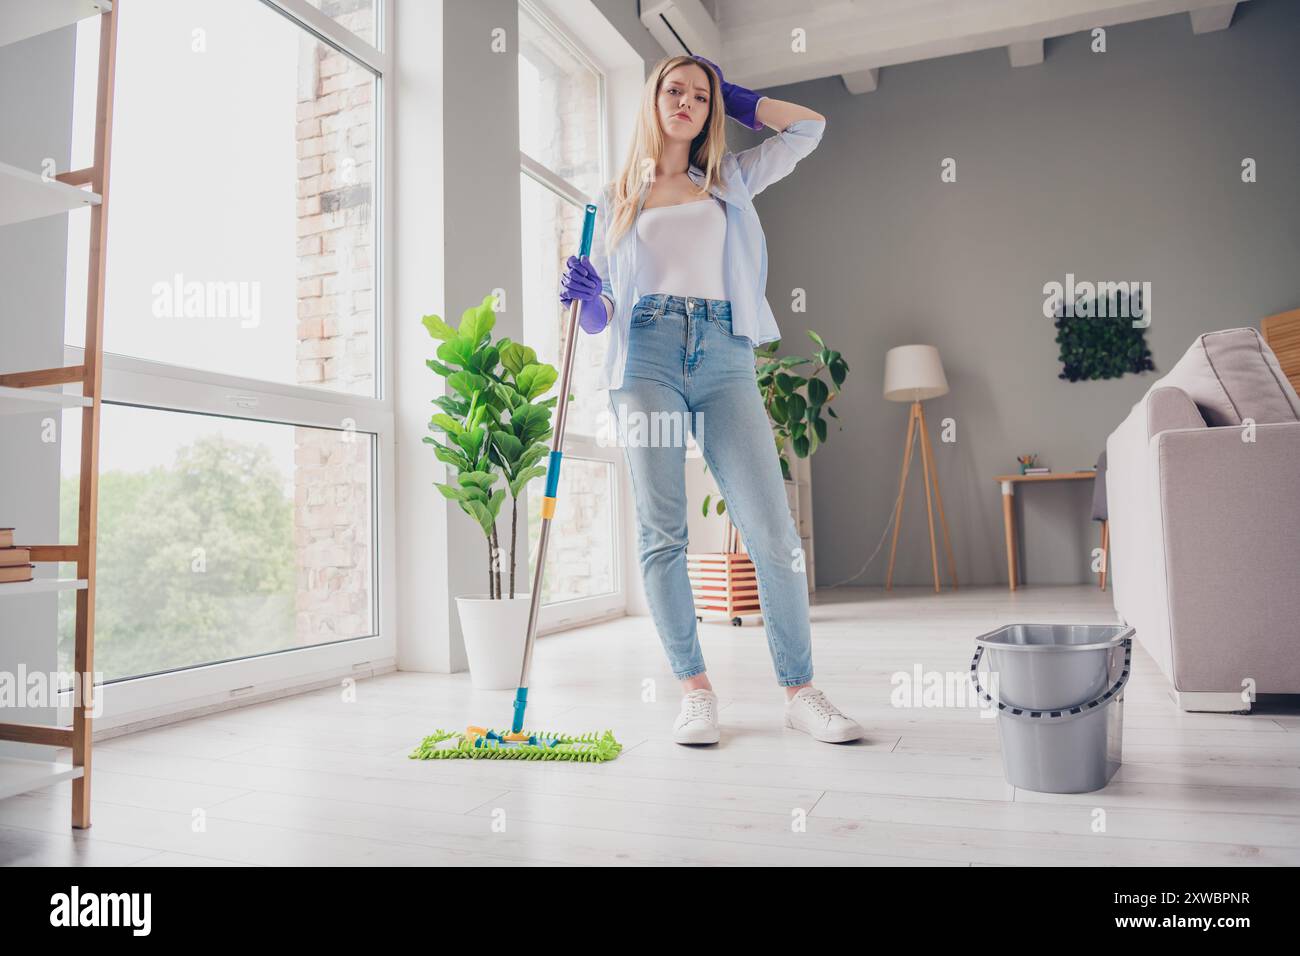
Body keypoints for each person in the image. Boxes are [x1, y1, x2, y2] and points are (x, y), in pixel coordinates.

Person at [559, 55, 863, 746]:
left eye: (702, 95)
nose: (687, 102)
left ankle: (800, 691)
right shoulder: (616, 199)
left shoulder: (729, 179)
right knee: (662, 532)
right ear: (653, 98)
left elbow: (810, 130)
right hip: (646, 357)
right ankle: (695, 691)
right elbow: (603, 315)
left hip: (725, 356)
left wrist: (743, 100)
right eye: (675, 89)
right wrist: (587, 298)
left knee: (774, 536)